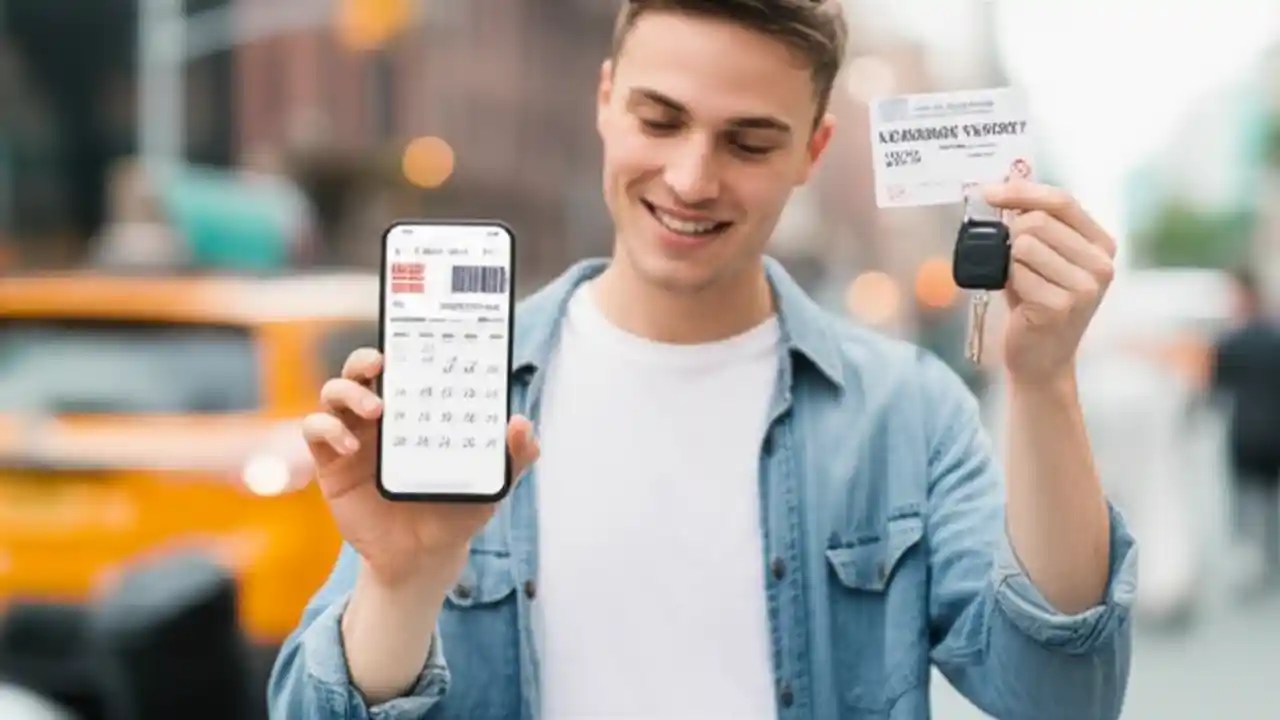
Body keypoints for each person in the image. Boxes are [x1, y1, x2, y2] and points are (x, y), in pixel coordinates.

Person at [268, 1, 1136, 718]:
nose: (691, 178)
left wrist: (1045, 380)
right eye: (660, 120)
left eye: (748, 143)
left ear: (812, 151)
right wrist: (401, 584)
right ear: (605, 100)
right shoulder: (466, 393)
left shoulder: (908, 414)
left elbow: (1062, 698)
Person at [1211, 267, 1280, 594]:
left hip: (1245, 432)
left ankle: (1253, 562)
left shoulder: (1231, 341)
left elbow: (1216, 389)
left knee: (1247, 500)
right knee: (1272, 498)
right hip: (1276, 430)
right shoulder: (1275, 337)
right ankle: (1272, 555)